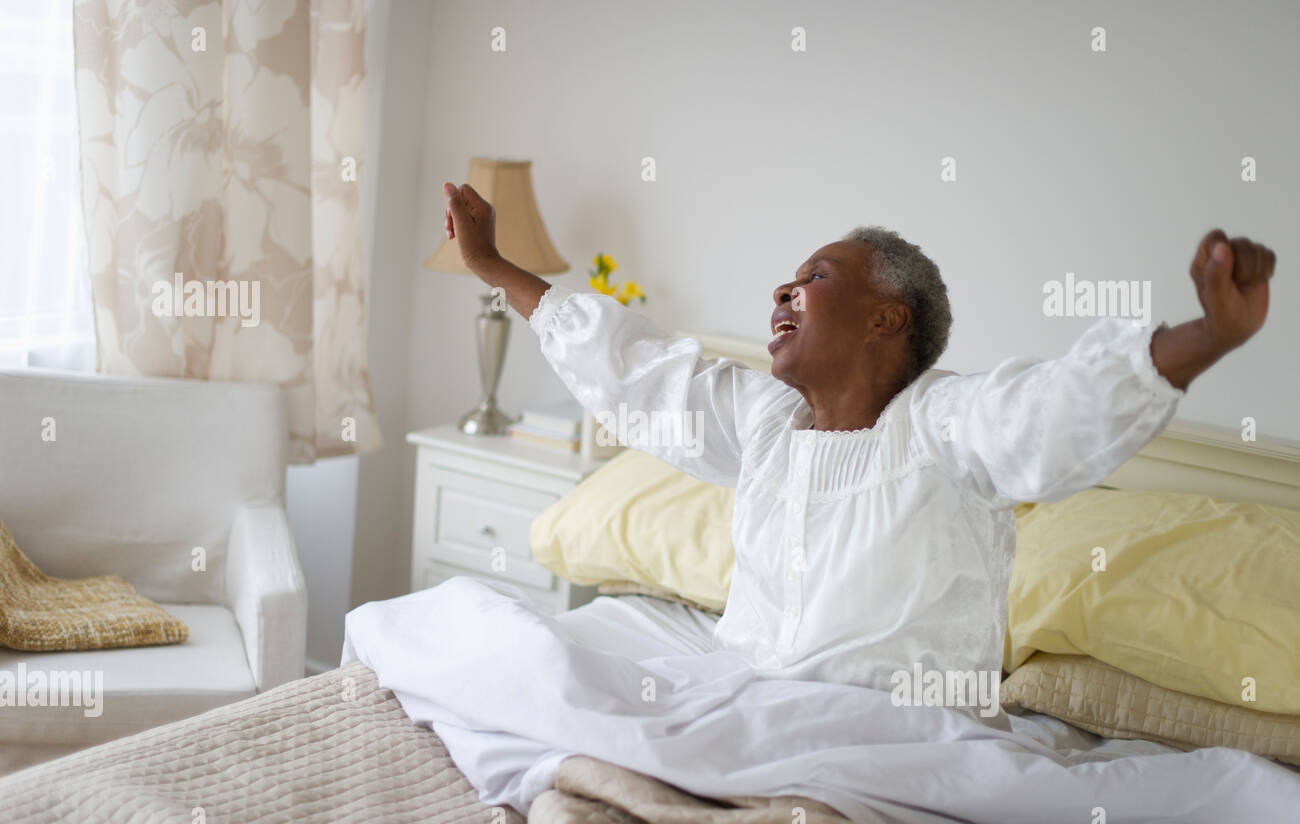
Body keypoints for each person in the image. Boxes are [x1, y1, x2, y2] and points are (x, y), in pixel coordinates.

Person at [439, 180, 1276, 695]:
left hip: (888, 739)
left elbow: (1058, 407)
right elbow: (637, 372)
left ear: (887, 316)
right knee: (482, 645)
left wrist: (1210, 334)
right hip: (739, 689)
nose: (785, 288)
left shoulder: (946, 425)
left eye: (814, 277)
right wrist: (493, 266)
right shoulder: (766, 421)